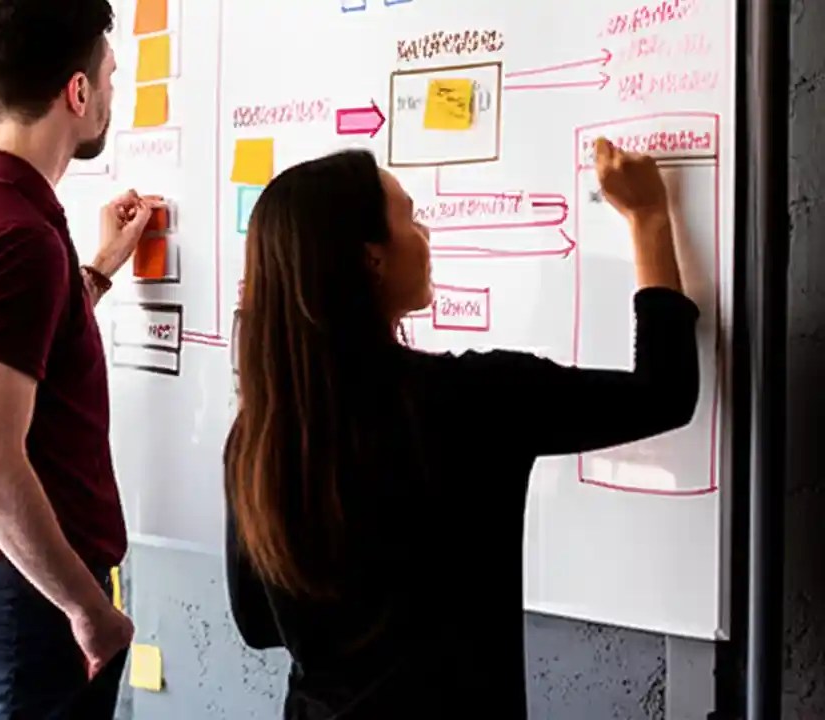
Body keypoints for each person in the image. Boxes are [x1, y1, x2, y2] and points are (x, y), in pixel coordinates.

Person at [224, 139, 700, 719]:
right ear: (370, 260)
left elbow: (256, 622)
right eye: (412, 218)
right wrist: (650, 216)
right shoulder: (473, 400)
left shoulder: (258, 436)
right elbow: (664, 393)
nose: (426, 234)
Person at [0, 0, 150, 716]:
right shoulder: (19, 241)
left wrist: (98, 271)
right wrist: (87, 608)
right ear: (78, 93)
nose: (112, 92)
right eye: (109, 75)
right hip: (28, 601)